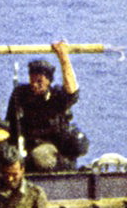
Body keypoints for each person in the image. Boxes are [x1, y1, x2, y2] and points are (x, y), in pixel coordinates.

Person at [7, 40, 88, 171]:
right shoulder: (21, 94)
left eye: (39, 81)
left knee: (74, 143)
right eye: (32, 80)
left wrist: (63, 56)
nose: (35, 84)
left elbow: (72, 91)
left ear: (49, 81)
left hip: (55, 145)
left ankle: (67, 170)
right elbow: (10, 122)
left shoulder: (57, 96)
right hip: (32, 144)